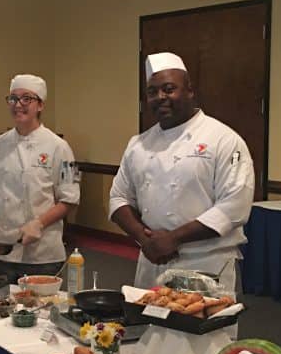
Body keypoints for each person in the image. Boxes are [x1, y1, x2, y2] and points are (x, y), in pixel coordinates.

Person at [109, 52, 254, 294]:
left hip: (205, 262)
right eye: (152, 92)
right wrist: (145, 239)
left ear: (189, 90)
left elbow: (234, 207)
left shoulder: (223, 139)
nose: (160, 98)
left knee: (201, 330)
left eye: (168, 89)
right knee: (148, 328)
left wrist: (174, 238)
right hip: (152, 260)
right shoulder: (139, 144)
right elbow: (118, 198)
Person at [0, 74, 80, 283]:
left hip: (43, 253)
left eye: (26, 99)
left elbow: (69, 200)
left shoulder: (58, 147)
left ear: (40, 105)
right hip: (3, 249)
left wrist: (38, 224)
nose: (18, 105)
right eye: (13, 99)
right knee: (2, 308)